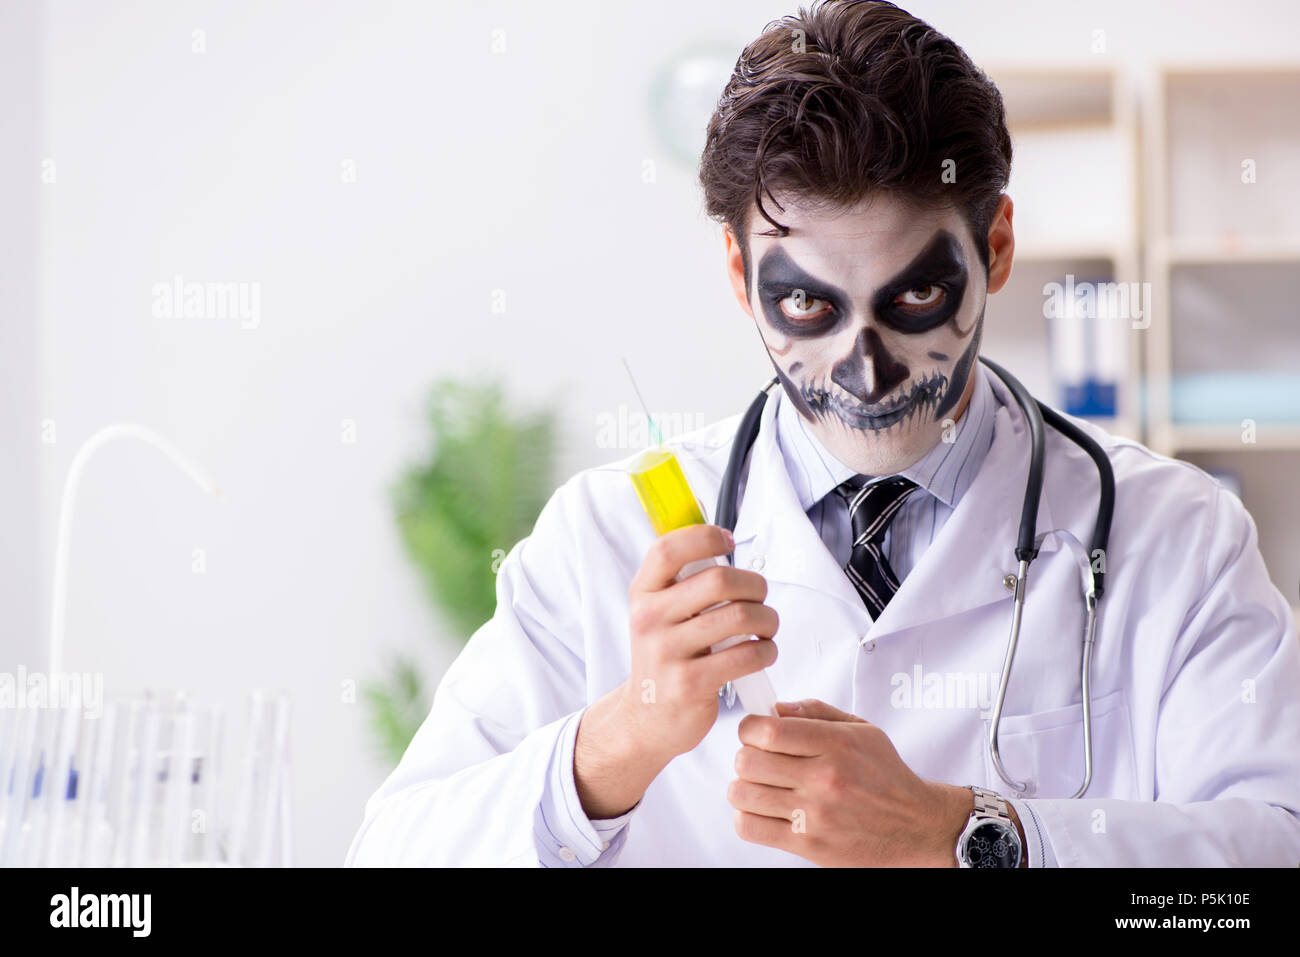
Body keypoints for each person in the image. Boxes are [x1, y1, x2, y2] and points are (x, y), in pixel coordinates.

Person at [345, 0, 1300, 866]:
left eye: (916, 294)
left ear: (996, 247)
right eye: (806, 302)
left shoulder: (1172, 535)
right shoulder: (601, 539)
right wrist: (620, 742)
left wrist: (972, 834)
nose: (864, 371)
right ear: (736, 271)